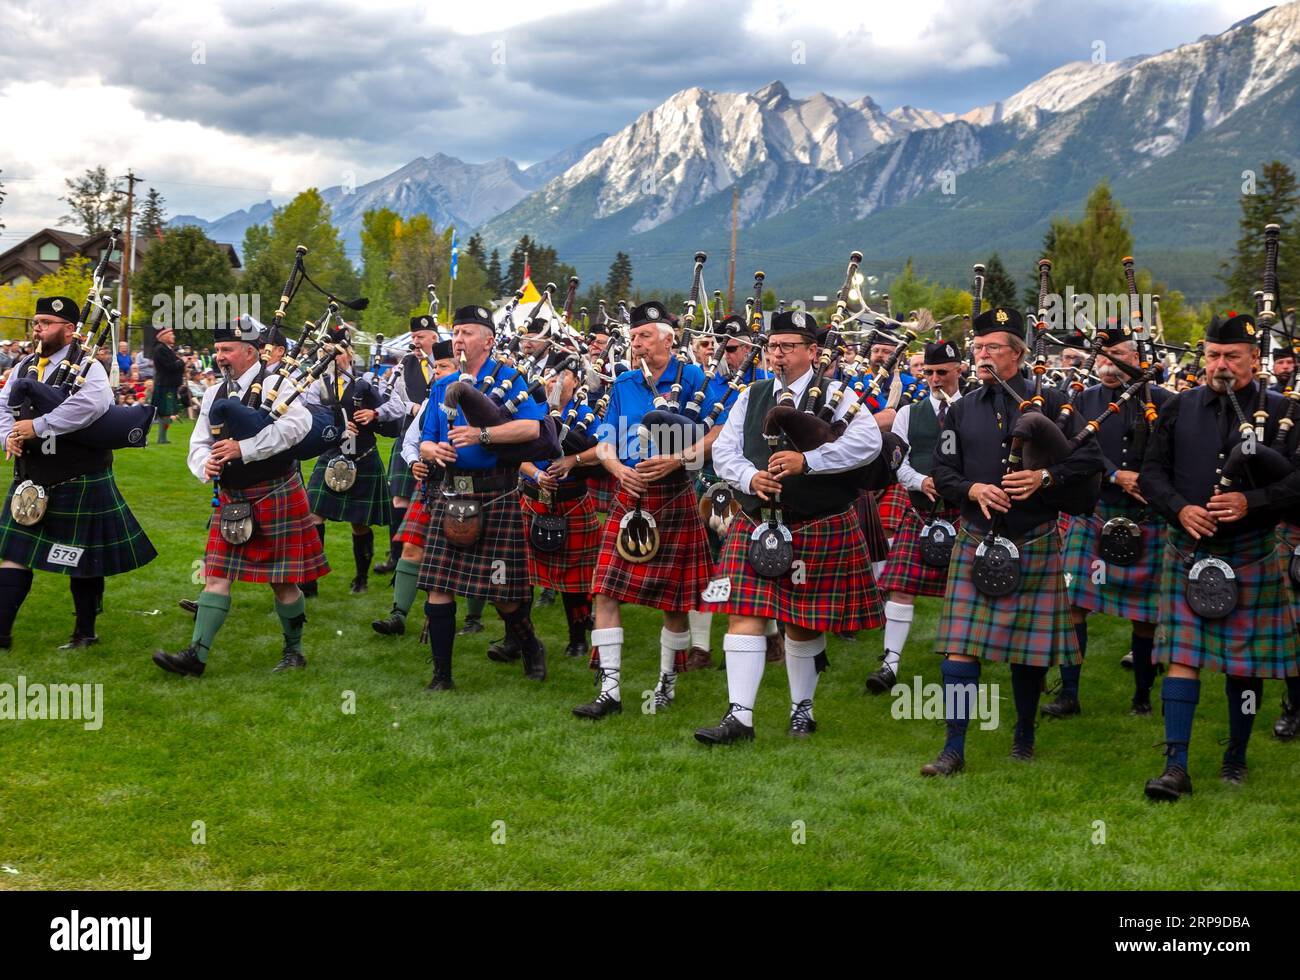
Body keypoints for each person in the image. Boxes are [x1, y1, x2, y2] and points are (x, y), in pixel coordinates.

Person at [921, 306, 1104, 775]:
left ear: (1018, 354)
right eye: (978, 348)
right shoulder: (961, 409)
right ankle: (953, 747)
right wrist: (972, 489)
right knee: (960, 646)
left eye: (992, 348)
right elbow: (942, 471)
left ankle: (1024, 731)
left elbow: (1089, 462)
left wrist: (1044, 477)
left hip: (1034, 537)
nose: (982, 355)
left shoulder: (1056, 401)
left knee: (1029, 652)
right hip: (977, 537)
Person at [695, 310, 885, 743]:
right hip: (758, 521)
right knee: (743, 614)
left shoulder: (837, 395)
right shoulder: (753, 394)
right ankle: (739, 717)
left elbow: (868, 443)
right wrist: (748, 477)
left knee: (803, 622)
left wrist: (809, 461)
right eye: (773, 347)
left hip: (815, 523)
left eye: (788, 347)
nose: (777, 355)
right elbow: (726, 449)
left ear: (813, 352)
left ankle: (803, 710)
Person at [1137, 312, 1300, 799]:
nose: (1220, 365)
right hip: (1190, 548)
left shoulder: (1286, 413)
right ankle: (1176, 765)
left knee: (1244, 666)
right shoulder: (1177, 407)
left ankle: (1237, 755)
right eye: (1212, 355)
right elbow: (1151, 473)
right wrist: (1180, 509)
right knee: (1181, 657)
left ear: (1255, 358)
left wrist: (1253, 501)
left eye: (1231, 356)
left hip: (1249, 550)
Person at [154, 317, 328, 676]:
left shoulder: (278, 385)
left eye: (227, 349)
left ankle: (294, 651)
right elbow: (199, 441)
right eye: (217, 350)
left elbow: (296, 428)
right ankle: (196, 656)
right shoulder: (216, 392)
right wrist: (206, 465)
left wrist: (243, 448)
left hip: (275, 492)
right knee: (216, 575)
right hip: (232, 498)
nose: (220, 357)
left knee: (282, 581)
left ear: (250, 352)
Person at [570, 301, 715, 720]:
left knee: (673, 602)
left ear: (668, 339)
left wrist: (678, 459)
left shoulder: (694, 379)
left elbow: (721, 431)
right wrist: (616, 469)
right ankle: (610, 690)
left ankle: (666, 680)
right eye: (633, 337)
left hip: (673, 496)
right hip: (630, 495)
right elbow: (605, 439)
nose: (636, 344)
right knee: (605, 591)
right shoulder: (625, 384)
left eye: (644, 336)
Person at [0, 295, 158, 649]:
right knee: (15, 553)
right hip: (31, 476)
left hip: (79, 476)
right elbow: (3, 406)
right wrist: (8, 435)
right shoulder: (24, 364)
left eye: (47, 323)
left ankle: (85, 632)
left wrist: (38, 426)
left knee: (82, 558)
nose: (38, 329)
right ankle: (1, 632)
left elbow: (89, 407)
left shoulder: (89, 366)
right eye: (36, 322)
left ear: (70, 330)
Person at [417, 305, 549, 689]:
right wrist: (431, 451)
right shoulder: (442, 384)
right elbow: (426, 436)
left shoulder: (509, 379)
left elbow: (530, 428)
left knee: (503, 593)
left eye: (468, 333)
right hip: (450, 491)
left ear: (488, 340)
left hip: (494, 490)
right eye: (456, 332)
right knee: (438, 586)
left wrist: (482, 436)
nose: (459, 339)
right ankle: (442, 676)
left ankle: (529, 645)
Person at [1055, 326, 1171, 717]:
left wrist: (1150, 482)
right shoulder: (1082, 402)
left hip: (1146, 516)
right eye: (1102, 357)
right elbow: (1073, 451)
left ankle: (1142, 695)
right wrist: (1114, 474)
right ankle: (1068, 694)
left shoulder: (1165, 401)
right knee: (1073, 604)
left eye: (1117, 355)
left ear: (1136, 359)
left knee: (1145, 619)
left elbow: (1174, 456)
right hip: (1095, 512)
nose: (1108, 364)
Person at [870, 340, 965, 694]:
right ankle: (890, 663)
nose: (935, 379)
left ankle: (958, 659)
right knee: (901, 588)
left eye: (943, 372)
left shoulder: (972, 408)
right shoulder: (910, 412)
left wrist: (959, 486)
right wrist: (920, 481)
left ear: (959, 369)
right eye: (929, 373)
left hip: (961, 512)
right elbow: (898, 460)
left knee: (961, 591)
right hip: (921, 511)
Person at [372, 340, 458, 637]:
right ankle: (398, 614)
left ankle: (465, 617)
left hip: (466, 489)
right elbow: (410, 440)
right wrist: (413, 463)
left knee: (463, 557)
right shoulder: (434, 398)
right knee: (410, 548)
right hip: (431, 485)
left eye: (444, 367)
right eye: (437, 368)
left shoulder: (476, 398)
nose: (437, 374)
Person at [302, 335, 391, 595]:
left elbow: (393, 411)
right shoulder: (318, 384)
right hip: (330, 454)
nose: (330, 357)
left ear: (350, 354)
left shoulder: (367, 381)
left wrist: (373, 414)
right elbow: (307, 413)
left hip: (362, 456)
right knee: (313, 516)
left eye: (337, 352)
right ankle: (310, 580)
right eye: (326, 352)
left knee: (359, 522)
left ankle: (361, 578)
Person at [373, 317, 437, 575]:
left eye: (421, 336)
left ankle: (428, 557)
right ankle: (396, 557)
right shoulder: (405, 363)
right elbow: (395, 395)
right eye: (413, 337)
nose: (415, 341)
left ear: (433, 337)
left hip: (438, 436)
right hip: (409, 433)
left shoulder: (445, 360)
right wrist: (411, 407)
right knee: (399, 497)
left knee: (433, 497)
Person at [150, 325, 185, 445]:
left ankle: (162, 437)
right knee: (164, 413)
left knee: (166, 413)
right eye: (171, 334)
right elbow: (169, 367)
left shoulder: (167, 349)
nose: (173, 336)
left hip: (169, 385)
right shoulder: (160, 349)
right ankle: (161, 438)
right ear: (163, 337)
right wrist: (181, 362)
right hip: (165, 384)